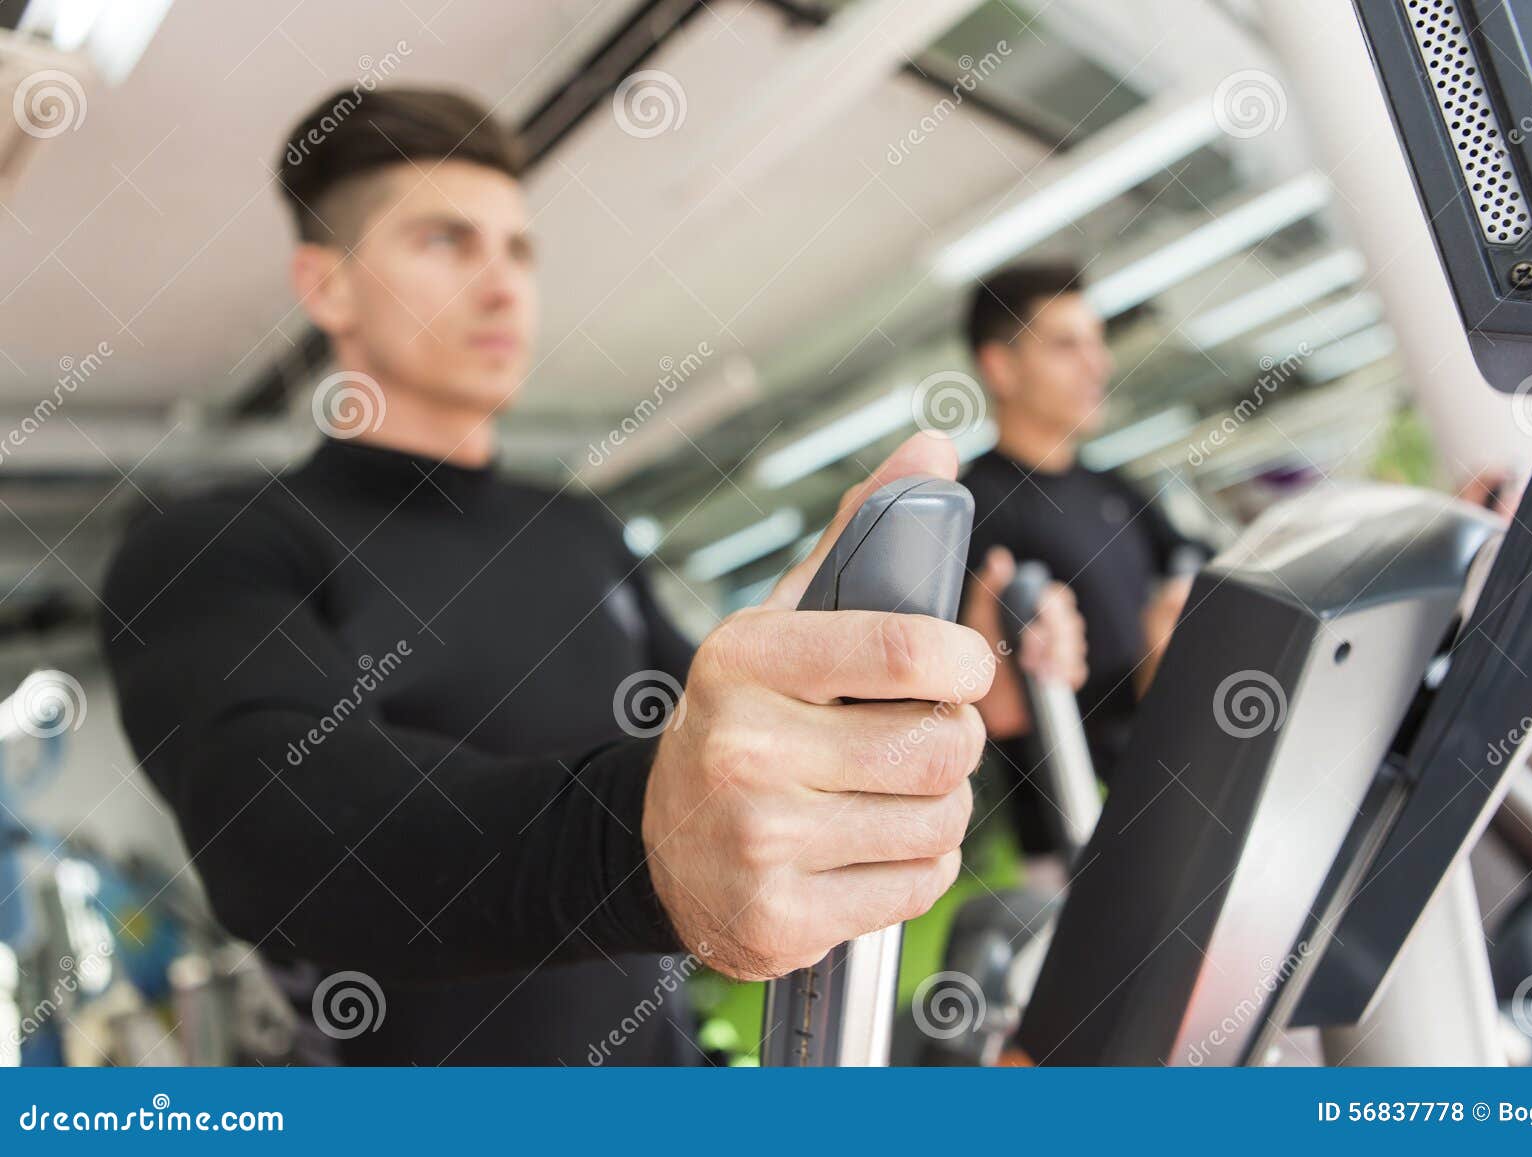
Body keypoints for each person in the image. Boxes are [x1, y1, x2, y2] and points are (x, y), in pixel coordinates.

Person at [97, 86, 1074, 1065]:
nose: (501, 284)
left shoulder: (578, 531)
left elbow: (740, 757)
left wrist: (939, 695)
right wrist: (648, 838)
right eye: (444, 241)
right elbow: (277, 829)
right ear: (328, 285)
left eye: (517, 250)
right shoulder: (217, 545)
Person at [959, 263, 1205, 859]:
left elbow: (1200, 573)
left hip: (1171, 786)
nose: (1098, 365)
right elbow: (990, 697)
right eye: (1067, 346)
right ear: (1000, 367)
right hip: (1073, 825)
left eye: (1096, 344)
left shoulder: (1117, 489)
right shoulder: (977, 508)